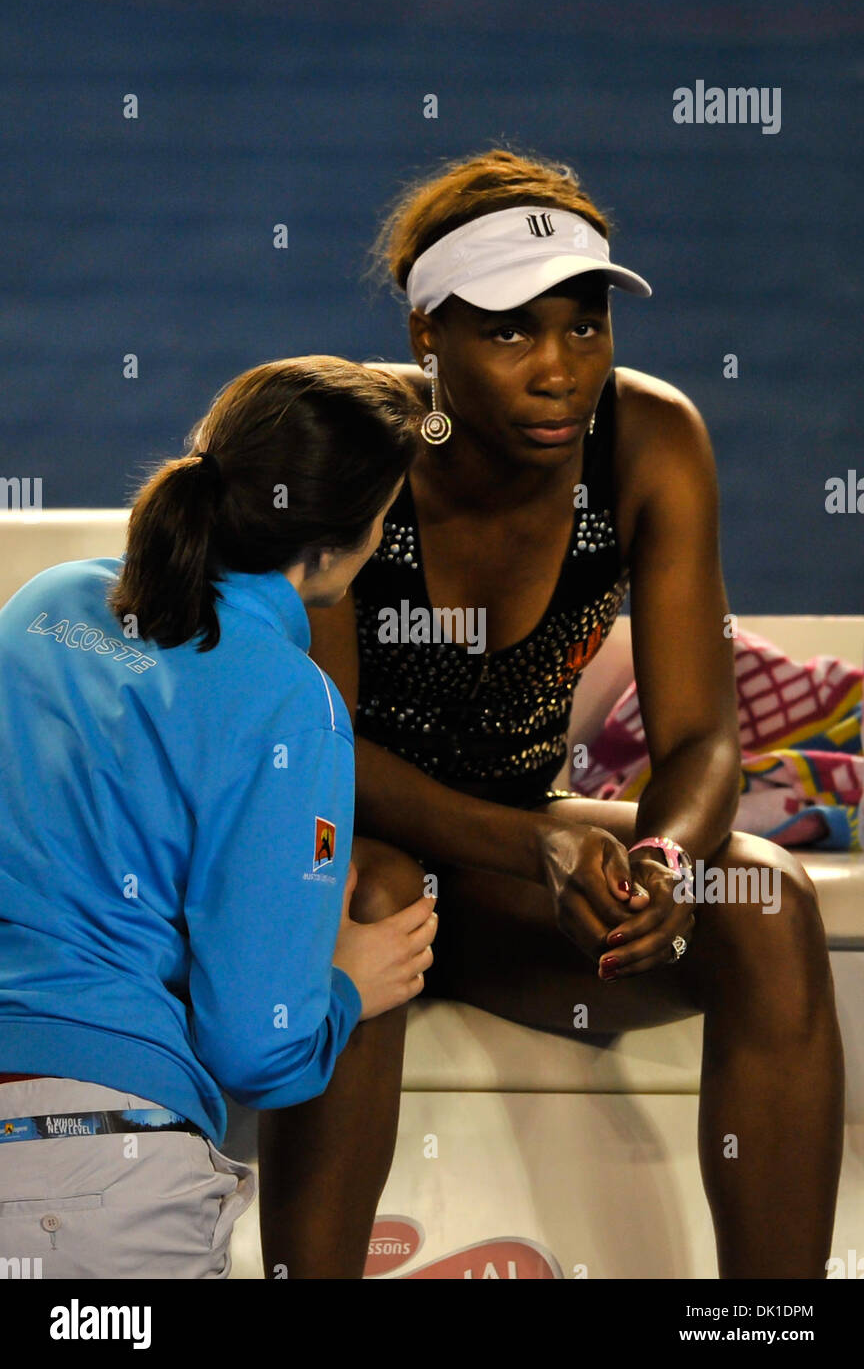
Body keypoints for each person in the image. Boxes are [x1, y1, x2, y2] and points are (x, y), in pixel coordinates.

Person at [257, 151, 845, 1281]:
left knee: (766, 896)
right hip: (355, 861)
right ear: (429, 331)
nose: (560, 371)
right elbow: (320, 760)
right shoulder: (356, 451)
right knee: (375, 887)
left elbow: (701, 737)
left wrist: (666, 858)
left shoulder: (651, 440)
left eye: (584, 327)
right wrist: (538, 840)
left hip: (523, 876)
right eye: (511, 332)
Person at [0, 355, 437, 1278]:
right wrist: (345, 984)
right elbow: (257, 1047)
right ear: (332, 548)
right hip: (104, 1185)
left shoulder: (39, 608)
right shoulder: (294, 705)